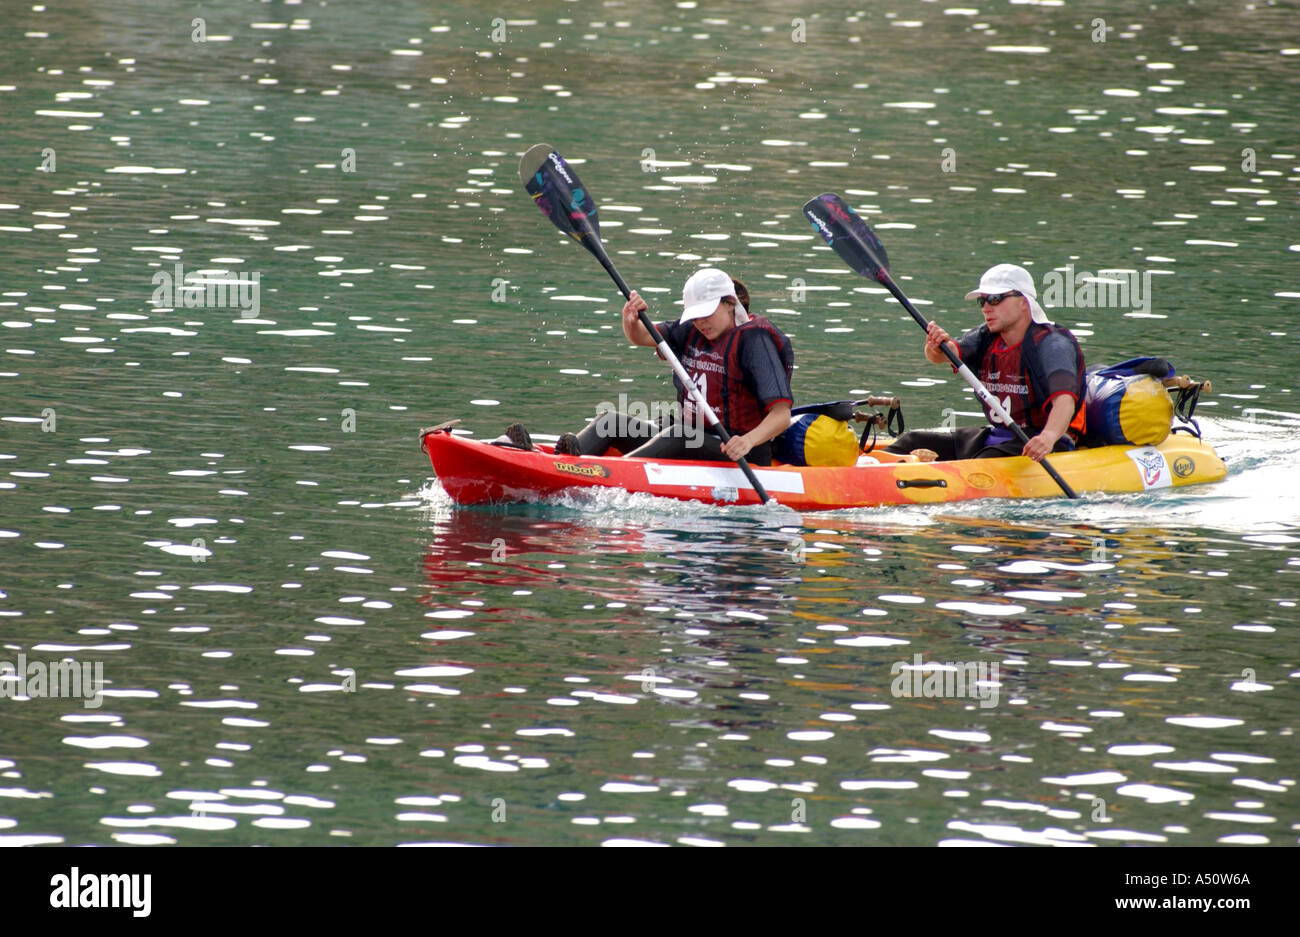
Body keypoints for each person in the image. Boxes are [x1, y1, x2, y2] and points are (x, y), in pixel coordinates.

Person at [506, 268, 794, 464]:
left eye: (707, 313)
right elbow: (641, 337)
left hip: (739, 451)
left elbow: (781, 415)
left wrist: (747, 442)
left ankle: (601, 474)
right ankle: (559, 461)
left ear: (730, 303)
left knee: (679, 435)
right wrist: (630, 320)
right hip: (689, 436)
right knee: (609, 421)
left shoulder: (755, 340)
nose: (701, 322)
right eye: (695, 316)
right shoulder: (692, 329)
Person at [885, 263, 1085, 462]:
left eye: (995, 299)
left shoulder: (1052, 344)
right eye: (982, 301)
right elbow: (943, 355)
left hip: (1046, 442)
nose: (987, 308)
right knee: (913, 441)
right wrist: (935, 345)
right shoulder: (986, 336)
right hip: (1000, 436)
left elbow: (1064, 401)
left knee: (986, 459)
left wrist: (1048, 437)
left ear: (1023, 302)